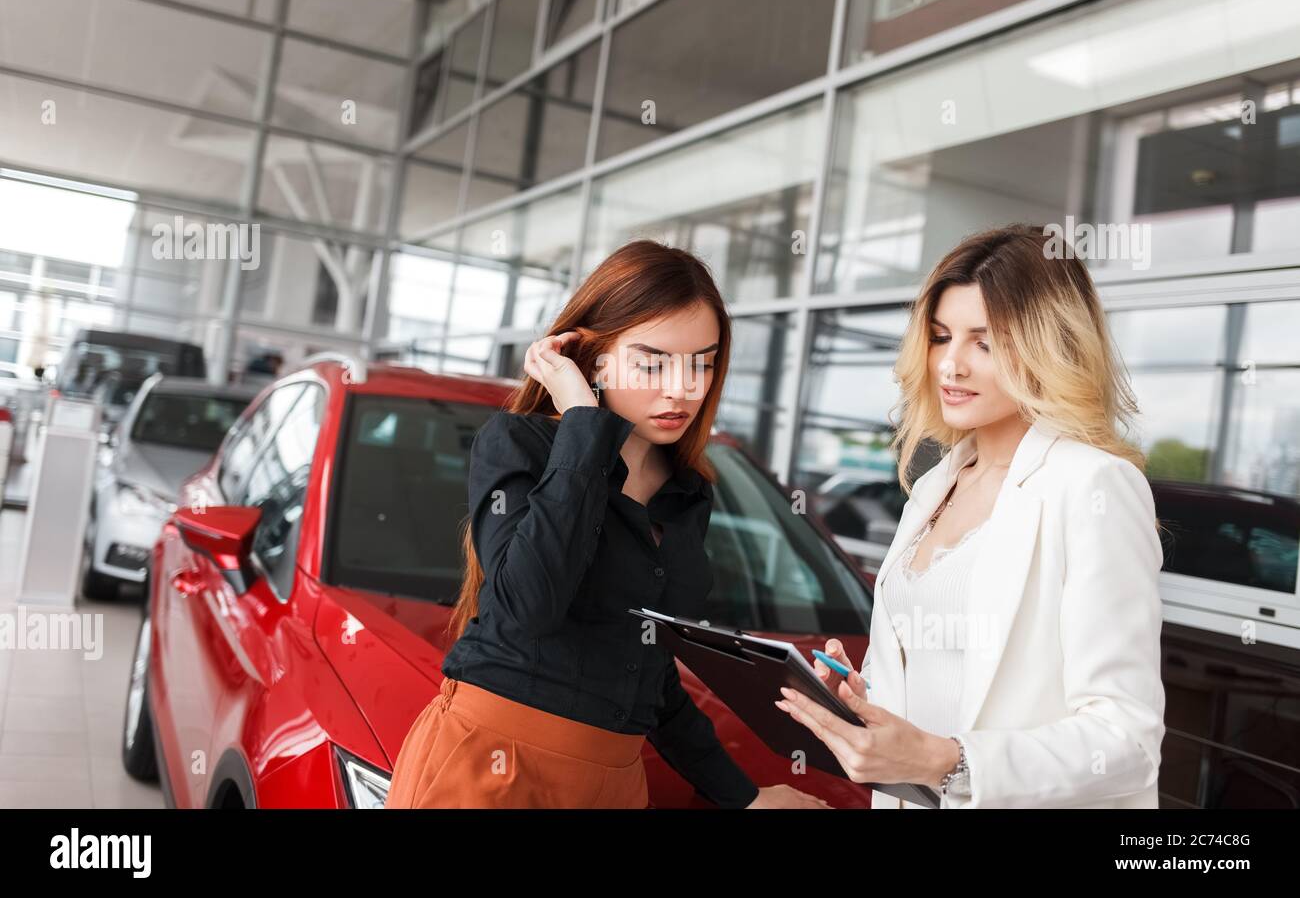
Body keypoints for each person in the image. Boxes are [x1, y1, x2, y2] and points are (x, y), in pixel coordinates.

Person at [386, 240, 827, 809]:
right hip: (493, 767)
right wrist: (582, 423)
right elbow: (529, 605)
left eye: (703, 362)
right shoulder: (520, 444)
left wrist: (743, 797)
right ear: (592, 359)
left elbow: (650, 669)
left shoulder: (688, 493)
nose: (683, 388)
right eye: (653, 362)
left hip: (613, 784)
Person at [775, 223, 1167, 808]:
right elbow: (936, 688)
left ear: (1048, 345)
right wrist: (861, 700)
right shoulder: (935, 485)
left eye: (984, 342)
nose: (951, 365)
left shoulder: (1093, 486)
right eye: (939, 337)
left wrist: (950, 761)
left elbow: (1126, 741)